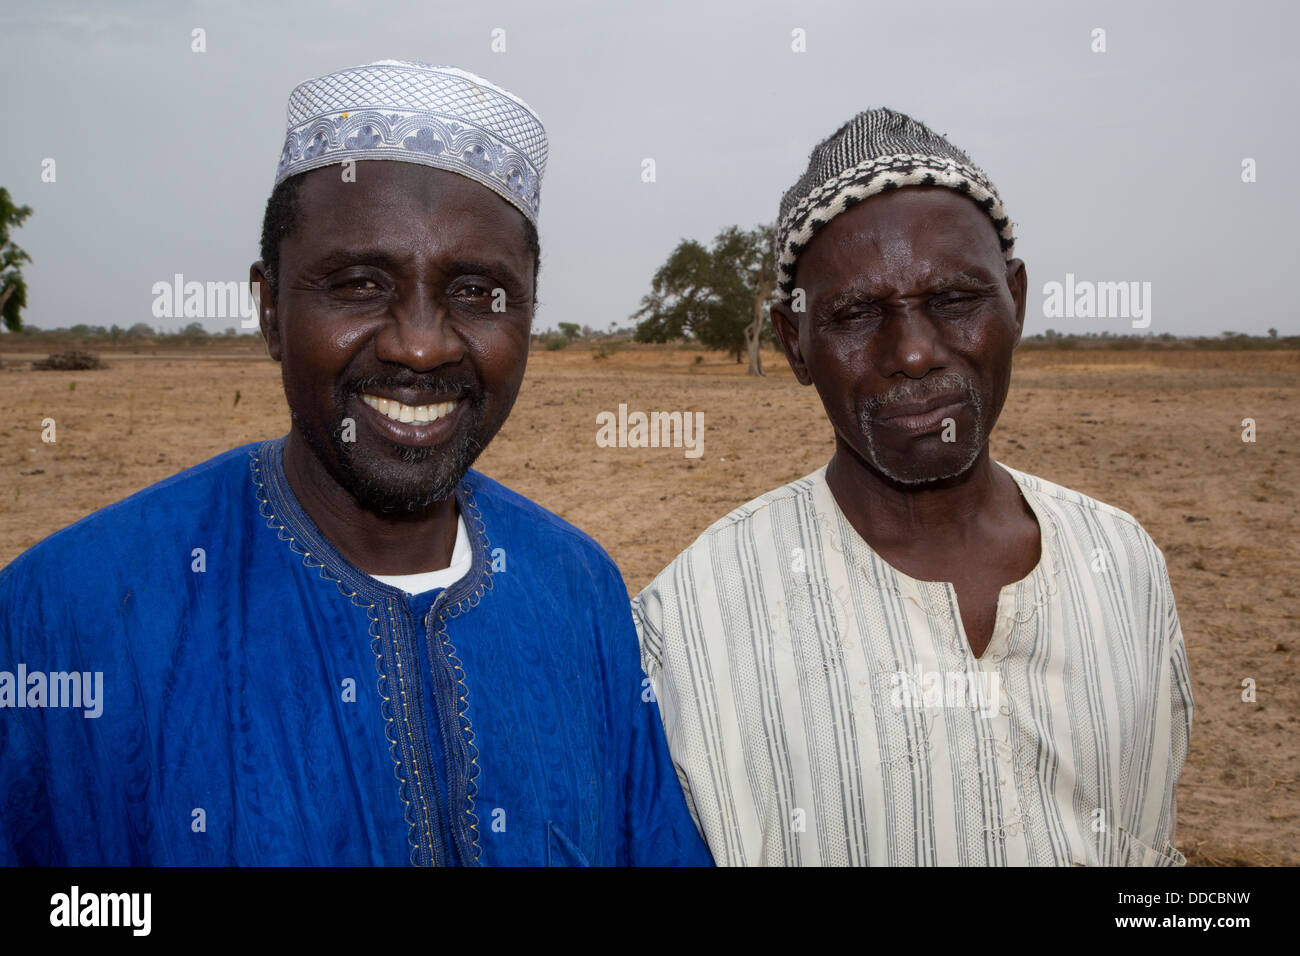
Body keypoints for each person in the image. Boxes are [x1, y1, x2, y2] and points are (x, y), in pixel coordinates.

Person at [0, 60, 711, 867]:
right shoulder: (64, 617)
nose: (420, 343)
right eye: (360, 283)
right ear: (270, 309)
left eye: (477, 293)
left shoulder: (578, 590)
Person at [633, 108, 1194, 866]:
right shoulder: (689, 621)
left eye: (957, 301)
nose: (915, 353)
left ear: (1016, 301)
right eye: (858, 314)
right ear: (793, 343)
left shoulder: (1123, 565)